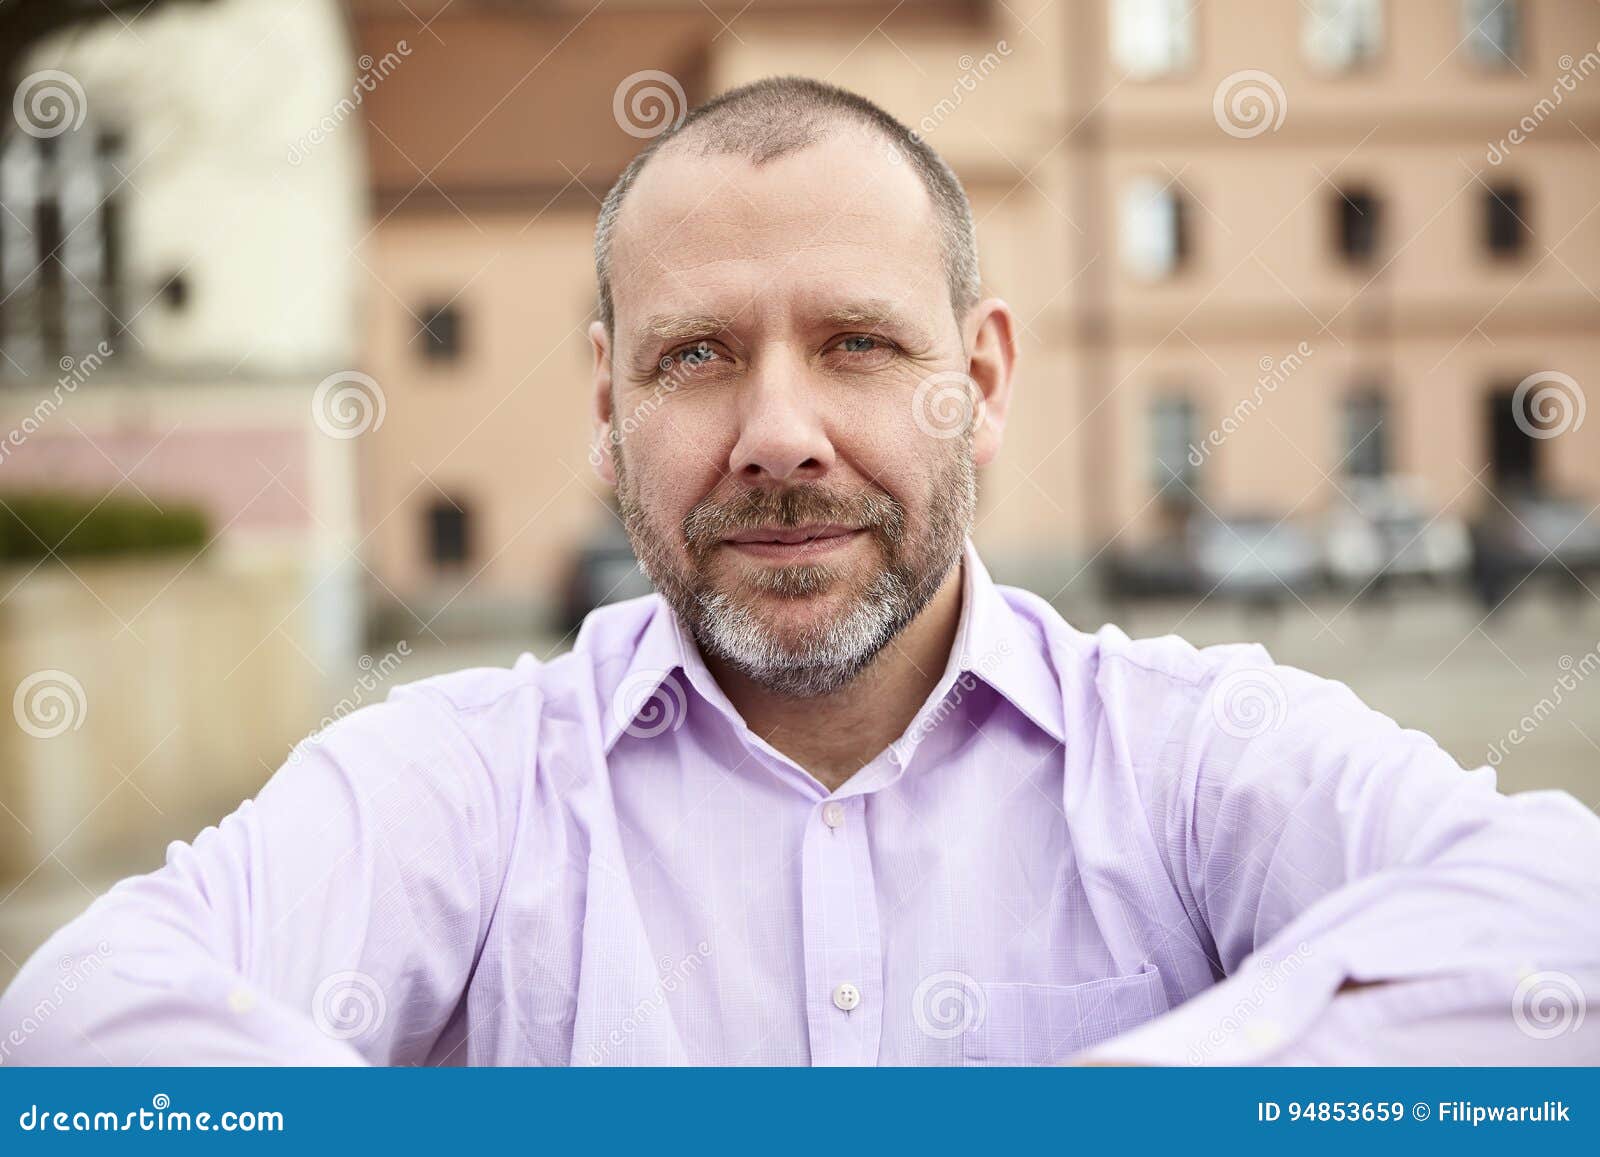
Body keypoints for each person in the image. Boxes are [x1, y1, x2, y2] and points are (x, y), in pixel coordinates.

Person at [2, 76, 1596, 1066]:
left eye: (857, 343)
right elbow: (79, 1030)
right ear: (608, 408)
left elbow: (1564, 933)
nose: (778, 433)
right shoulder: (464, 786)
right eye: (696, 354)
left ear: (979, 379)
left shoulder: (1189, 757)